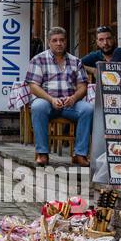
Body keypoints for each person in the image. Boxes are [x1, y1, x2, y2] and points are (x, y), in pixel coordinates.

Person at [25, 26, 92, 167]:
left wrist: (73, 98)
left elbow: (83, 86)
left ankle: (80, 154)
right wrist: (51, 99)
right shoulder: (39, 59)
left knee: (87, 109)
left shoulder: (76, 61)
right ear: (49, 42)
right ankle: (42, 153)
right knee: (37, 106)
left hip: (70, 103)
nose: (59, 43)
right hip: (47, 102)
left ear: (66, 41)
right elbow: (33, 86)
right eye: (54, 40)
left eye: (61, 40)